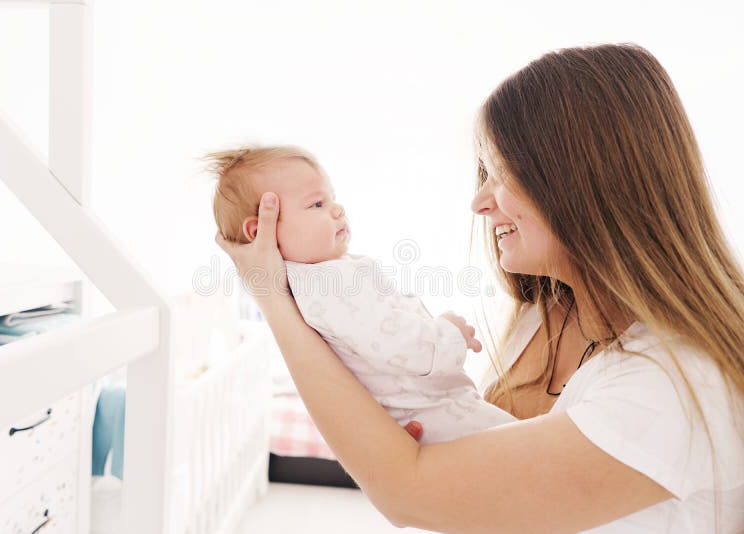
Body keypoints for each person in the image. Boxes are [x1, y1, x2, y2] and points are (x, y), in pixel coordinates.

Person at [216, 43, 744, 532]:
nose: (479, 202)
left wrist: (270, 294)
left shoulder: (678, 384)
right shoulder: (544, 316)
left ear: (581, 180)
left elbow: (407, 490)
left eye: (501, 173)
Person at [205, 146, 517, 444]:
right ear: (260, 231)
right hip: (437, 419)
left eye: (332, 199)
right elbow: (405, 349)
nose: (337, 209)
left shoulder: (318, 281)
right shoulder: (327, 286)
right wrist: (449, 334)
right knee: (522, 451)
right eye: (316, 204)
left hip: (431, 412)